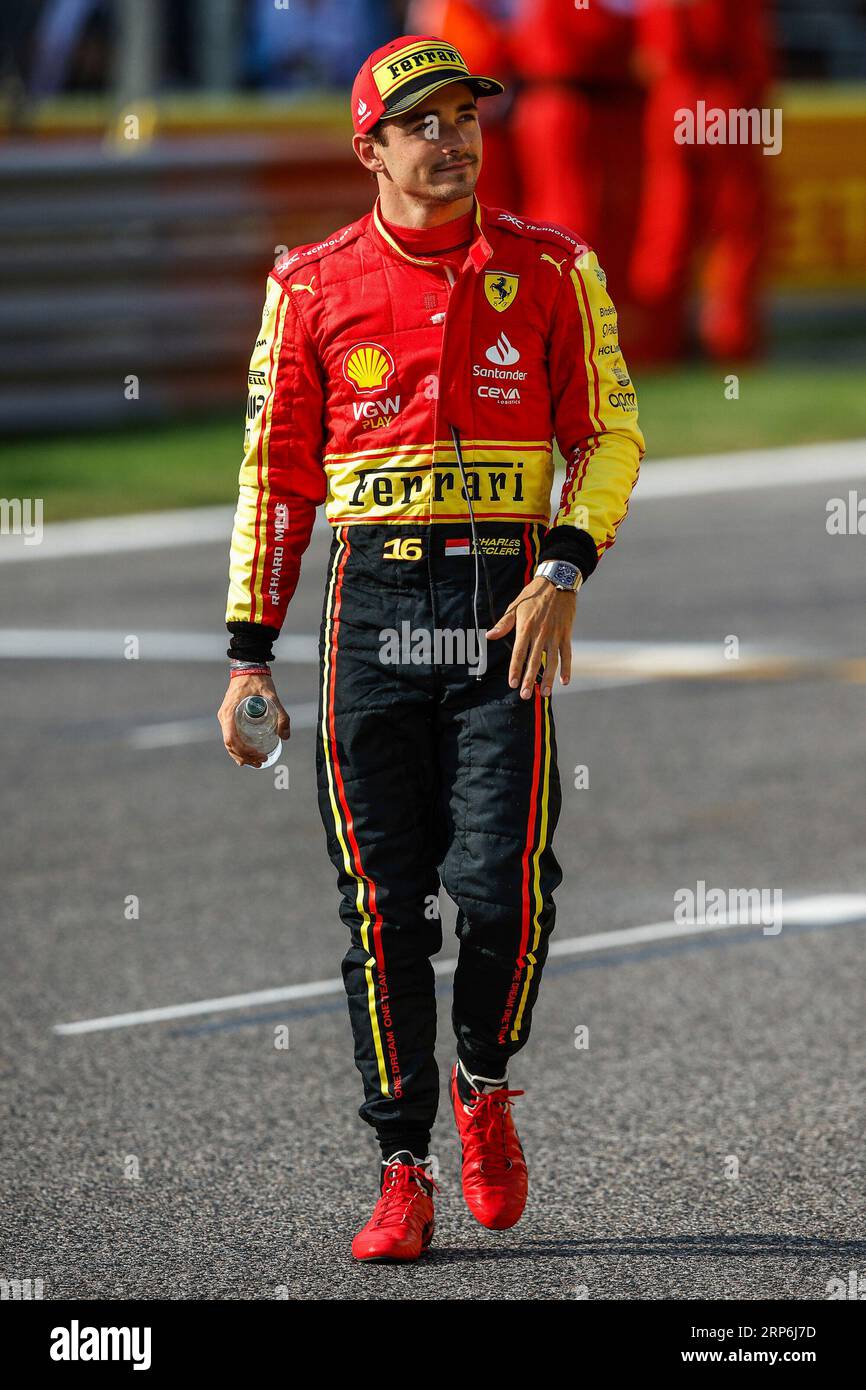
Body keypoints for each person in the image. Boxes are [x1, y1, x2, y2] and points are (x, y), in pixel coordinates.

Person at [218, 33, 644, 1262]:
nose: (451, 137)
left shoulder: (553, 266)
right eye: (423, 122)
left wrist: (564, 562)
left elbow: (608, 431)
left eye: (465, 115)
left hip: (505, 600)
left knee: (504, 883)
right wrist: (249, 653)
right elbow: (274, 479)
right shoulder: (306, 285)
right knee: (380, 905)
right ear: (371, 148)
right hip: (369, 610)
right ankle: (400, 1166)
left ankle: (486, 1083)